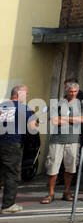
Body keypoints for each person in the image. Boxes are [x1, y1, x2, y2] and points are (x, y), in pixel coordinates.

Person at [43, 81, 83, 204]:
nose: (73, 94)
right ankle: (50, 193)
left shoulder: (81, 104)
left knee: (70, 167)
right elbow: (55, 121)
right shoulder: (57, 103)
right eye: (71, 91)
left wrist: (65, 118)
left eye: (75, 92)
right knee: (53, 167)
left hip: (73, 140)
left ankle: (66, 192)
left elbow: (82, 119)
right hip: (57, 139)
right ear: (66, 91)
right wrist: (73, 120)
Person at [1, 84, 39, 214]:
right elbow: (32, 128)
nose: (28, 96)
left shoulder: (2, 106)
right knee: (12, 174)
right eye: (26, 93)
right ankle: (8, 205)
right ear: (19, 94)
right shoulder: (23, 108)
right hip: (12, 144)